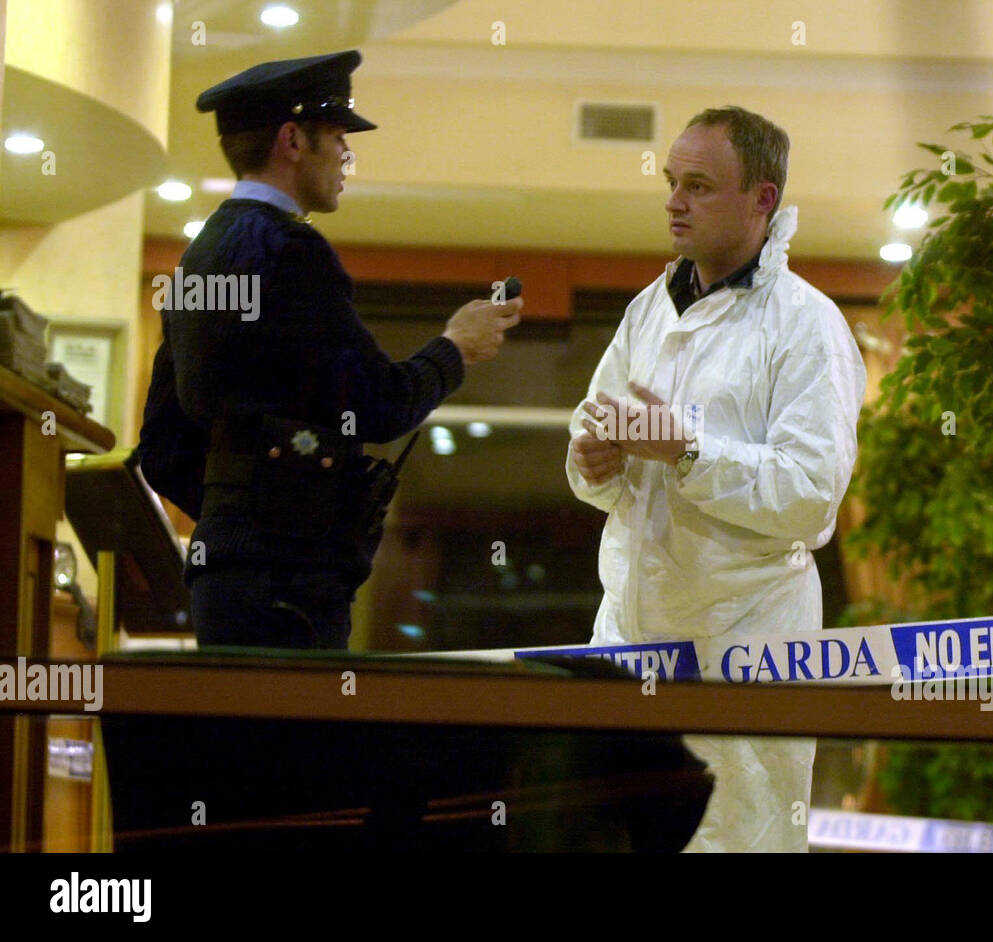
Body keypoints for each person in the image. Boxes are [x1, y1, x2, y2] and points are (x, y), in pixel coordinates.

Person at [137, 50, 520, 649]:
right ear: (293, 140)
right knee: (301, 744)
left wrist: (233, 511)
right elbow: (379, 405)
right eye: (337, 138)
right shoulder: (292, 252)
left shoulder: (200, 257)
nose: (346, 157)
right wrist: (455, 347)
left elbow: (161, 447)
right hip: (292, 579)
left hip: (223, 575)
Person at [565, 106, 867, 852]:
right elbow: (593, 443)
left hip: (742, 661)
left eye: (698, 185)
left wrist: (690, 454)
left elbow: (810, 497)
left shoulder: (808, 325)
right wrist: (593, 463)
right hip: (624, 652)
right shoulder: (646, 310)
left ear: (763, 199)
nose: (673, 200)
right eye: (672, 182)